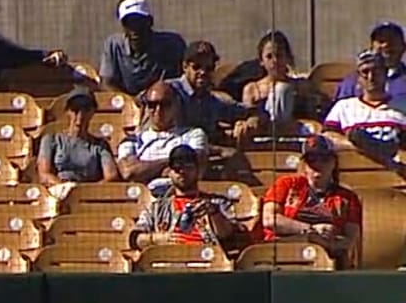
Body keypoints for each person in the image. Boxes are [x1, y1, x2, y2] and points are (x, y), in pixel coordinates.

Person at [259, 136, 361, 267]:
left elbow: (351, 240)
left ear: (334, 162)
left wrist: (328, 242)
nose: (318, 165)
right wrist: (310, 231)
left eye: (324, 159)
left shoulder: (348, 197)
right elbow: (269, 220)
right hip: (283, 251)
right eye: (312, 160)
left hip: (326, 257)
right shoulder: (286, 184)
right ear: (304, 165)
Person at [128, 145, 238, 248]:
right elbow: (135, 239)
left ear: (197, 171)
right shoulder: (157, 208)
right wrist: (155, 239)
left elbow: (230, 235)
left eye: (188, 167)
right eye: (177, 168)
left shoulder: (217, 202)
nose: (182, 171)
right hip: (171, 258)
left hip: (206, 257)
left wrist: (215, 213)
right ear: (169, 173)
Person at [324, 50, 406, 173]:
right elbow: (328, 137)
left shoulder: (402, 106)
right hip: (354, 172)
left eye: (376, 71)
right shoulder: (344, 106)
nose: (371, 77)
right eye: (365, 72)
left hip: (397, 172)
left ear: (385, 74)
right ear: (358, 78)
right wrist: (358, 146)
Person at [116, 81, 208, 190]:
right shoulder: (132, 140)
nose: (158, 110)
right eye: (152, 105)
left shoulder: (193, 135)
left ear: (176, 105)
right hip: (143, 197)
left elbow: (196, 169)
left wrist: (144, 170)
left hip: (180, 196)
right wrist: (173, 162)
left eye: (165, 104)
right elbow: (129, 172)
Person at [170, 41, 263, 145]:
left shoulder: (213, 102)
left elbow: (250, 111)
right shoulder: (170, 91)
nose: (203, 72)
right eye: (196, 67)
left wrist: (251, 120)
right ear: (185, 67)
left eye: (208, 68)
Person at [36, 88, 120, 199]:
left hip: (89, 194)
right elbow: (44, 174)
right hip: (59, 190)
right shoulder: (51, 140)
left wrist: (86, 191)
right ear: (68, 111)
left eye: (86, 109)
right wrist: (65, 186)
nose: (80, 116)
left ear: (92, 112)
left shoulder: (100, 146)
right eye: (75, 110)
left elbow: (111, 176)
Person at [100, 0, 187, 95]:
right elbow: (106, 84)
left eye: (139, 22)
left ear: (150, 22)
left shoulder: (172, 44)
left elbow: (182, 80)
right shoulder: (113, 45)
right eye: (129, 23)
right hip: (126, 104)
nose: (134, 29)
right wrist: (131, 102)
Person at [235, 33, 306, 127]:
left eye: (279, 55)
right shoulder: (252, 89)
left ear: (287, 57)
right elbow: (248, 117)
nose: (275, 61)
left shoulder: (300, 86)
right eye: (269, 57)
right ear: (261, 61)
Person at [334, 22, 406, 109]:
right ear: (372, 47)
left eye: (392, 41)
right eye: (381, 41)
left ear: (403, 47)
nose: (386, 45)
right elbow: (340, 112)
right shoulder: (352, 81)